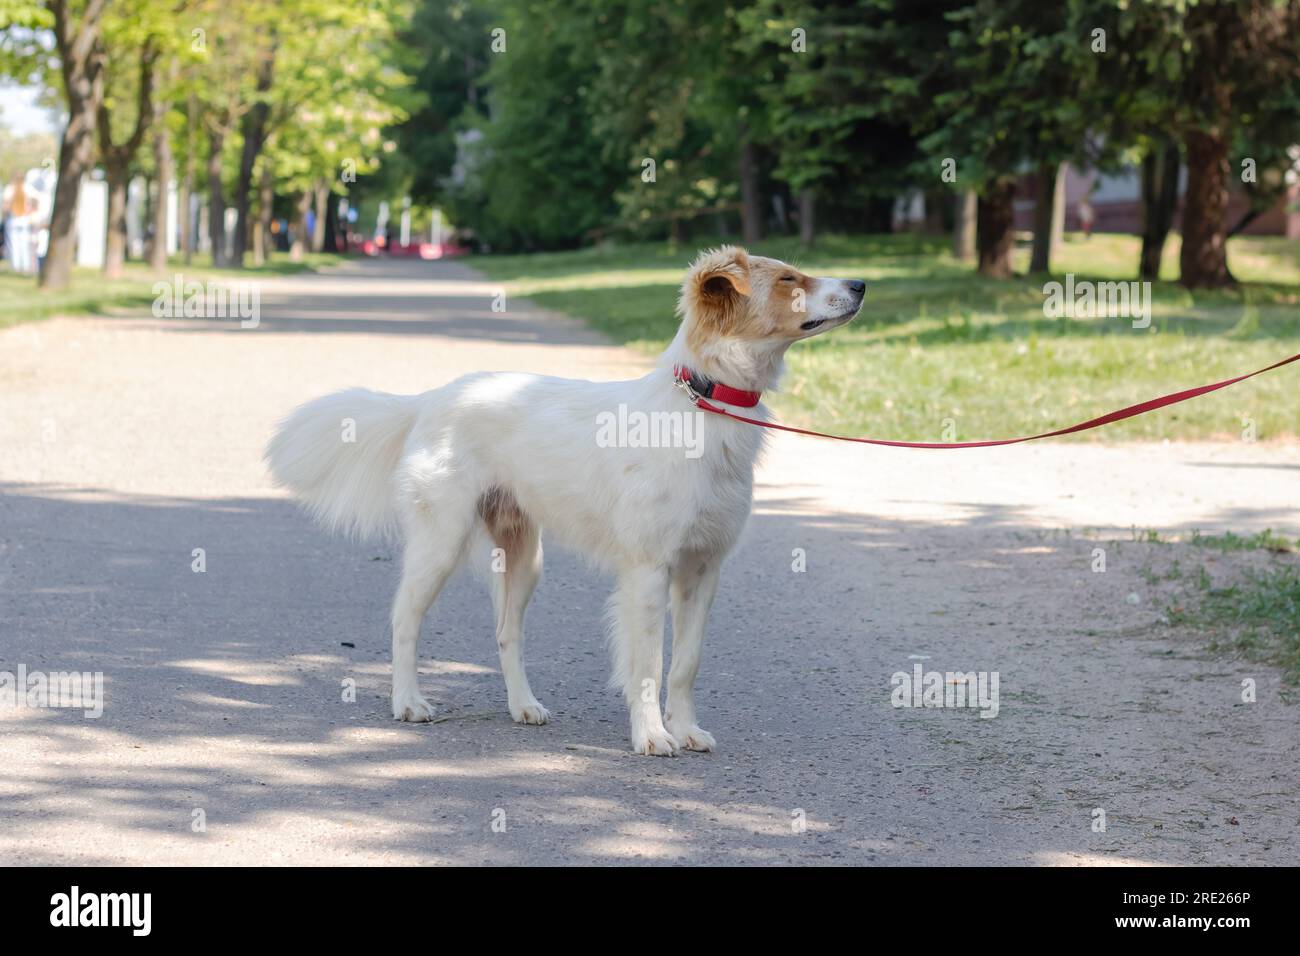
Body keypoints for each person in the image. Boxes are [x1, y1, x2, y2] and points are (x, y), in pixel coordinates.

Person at [2, 173, 36, 273]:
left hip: (13, 220)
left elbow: (5, 206)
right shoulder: (27, 188)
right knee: (24, 246)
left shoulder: (10, 189)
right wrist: (30, 210)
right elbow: (36, 199)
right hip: (24, 220)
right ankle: (25, 267)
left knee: (14, 246)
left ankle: (16, 268)